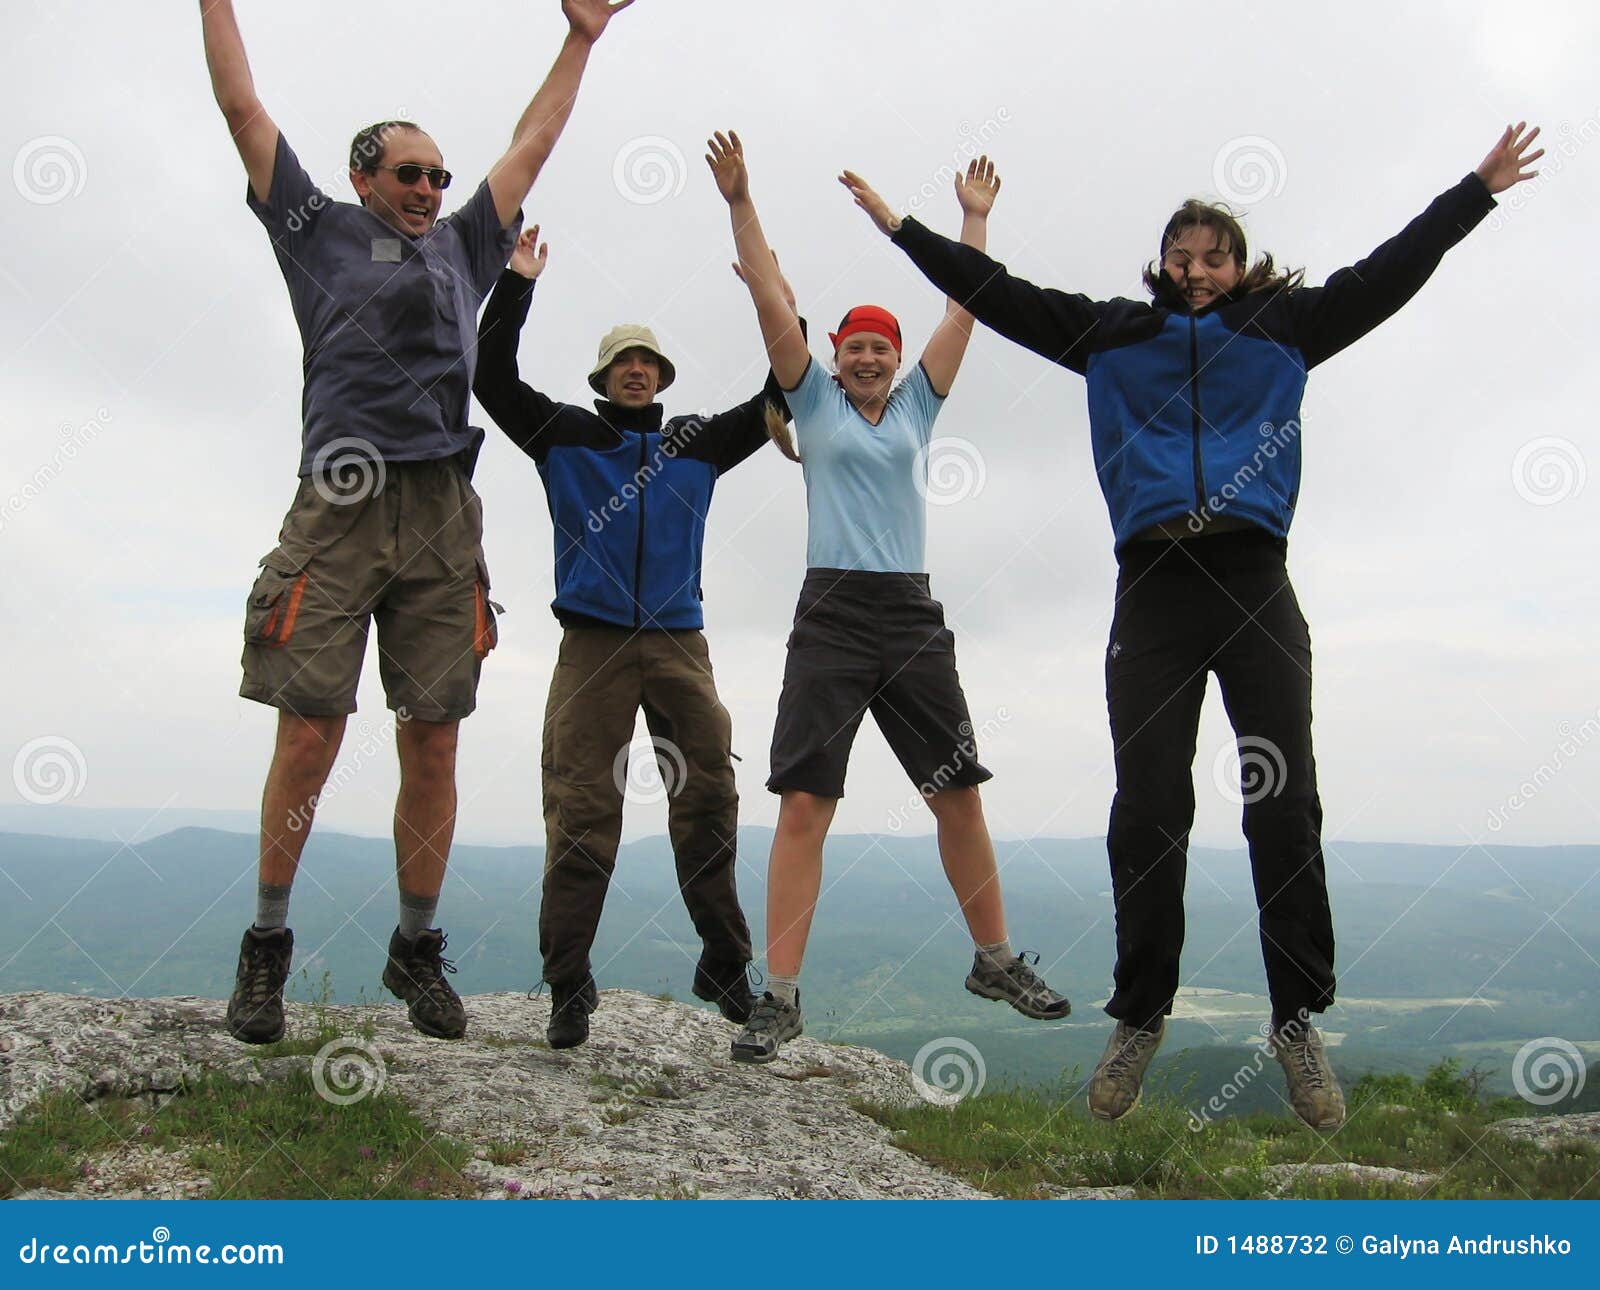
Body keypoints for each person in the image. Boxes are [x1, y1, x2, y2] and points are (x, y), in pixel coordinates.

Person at [871, 122, 1544, 1127]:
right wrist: (901, 228)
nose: (1196, 270)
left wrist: (1474, 190)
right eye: (1180, 257)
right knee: (1148, 807)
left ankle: (1295, 1022)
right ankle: (1139, 1016)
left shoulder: (1284, 328)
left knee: (1282, 802)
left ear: (1239, 267)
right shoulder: (1110, 336)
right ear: (1161, 266)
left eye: (1214, 257)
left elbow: (1390, 271)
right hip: (1153, 591)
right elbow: (998, 293)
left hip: (1253, 583)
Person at [202, 0, 635, 1045]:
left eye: (441, 177)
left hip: (444, 506)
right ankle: (266, 950)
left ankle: (415, 949)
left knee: (432, 738)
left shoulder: (464, 248)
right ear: (363, 179)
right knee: (311, 734)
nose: (432, 190)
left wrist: (580, 36)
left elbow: (533, 142)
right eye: (412, 174)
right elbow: (242, 104)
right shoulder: (312, 232)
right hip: (341, 501)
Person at [706, 130, 1073, 1065]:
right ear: (833, 356)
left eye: (882, 348)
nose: (869, 359)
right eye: (855, 348)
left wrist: (972, 220)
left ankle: (994, 959)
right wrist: (742, 203)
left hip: (910, 613)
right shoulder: (814, 400)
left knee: (958, 791)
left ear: (897, 356)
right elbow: (764, 296)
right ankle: (779, 997)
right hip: (830, 614)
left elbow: (969, 304)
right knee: (803, 803)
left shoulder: (917, 405)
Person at [472, 225, 798, 1048]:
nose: (636, 369)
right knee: (582, 809)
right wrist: (515, 285)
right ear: (602, 377)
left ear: (662, 376)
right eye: (623, 361)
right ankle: (568, 984)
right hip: (592, 648)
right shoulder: (563, 436)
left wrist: (773, 291)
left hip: (680, 643)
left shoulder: (698, 442)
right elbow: (489, 376)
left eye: (647, 361)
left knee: (710, 799)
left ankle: (723, 961)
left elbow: (785, 389)